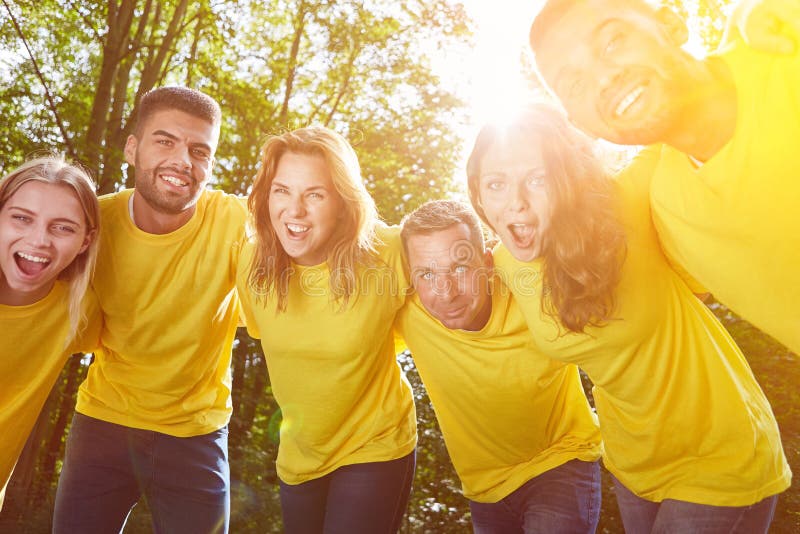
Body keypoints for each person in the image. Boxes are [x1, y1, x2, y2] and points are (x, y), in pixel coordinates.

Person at [466, 104, 791, 534]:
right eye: (496, 184)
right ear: (478, 194)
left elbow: (680, 122)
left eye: (538, 179)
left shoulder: (624, 203)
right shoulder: (506, 263)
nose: (516, 203)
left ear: (569, 180)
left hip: (720, 452)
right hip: (634, 464)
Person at [528, 0, 800, 354]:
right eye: (576, 86)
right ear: (580, 125)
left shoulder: (784, 41)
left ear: (671, 25)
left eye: (613, 42)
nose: (606, 78)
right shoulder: (671, 216)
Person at [53, 87, 248, 533]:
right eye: (165, 141)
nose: (183, 160)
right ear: (132, 148)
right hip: (104, 422)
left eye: (200, 150)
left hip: (196, 433)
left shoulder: (236, 221)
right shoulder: (94, 226)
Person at [237, 126, 416, 533]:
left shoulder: (387, 252)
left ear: (342, 202)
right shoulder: (252, 265)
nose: (294, 211)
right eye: (282, 191)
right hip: (300, 457)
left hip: (375, 444)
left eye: (314, 194)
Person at [396, 199, 602, 533]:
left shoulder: (532, 292)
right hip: (484, 492)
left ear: (488, 263)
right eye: (427, 273)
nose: (445, 292)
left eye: (460, 267)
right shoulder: (410, 312)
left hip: (559, 464)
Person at [0, 156, 99, 509]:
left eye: (63, 228)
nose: (39, 239)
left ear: (85, 242)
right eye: (21, 218)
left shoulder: (79, 311)